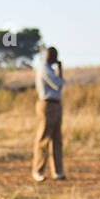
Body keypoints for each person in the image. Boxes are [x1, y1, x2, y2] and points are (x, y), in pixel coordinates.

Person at [32, 46, 65, 182]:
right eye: (53, 55)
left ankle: (57, 171)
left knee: (57, 139)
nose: (55, 58)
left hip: (56, 104)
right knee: (44, 138)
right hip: (47, 104)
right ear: (47, 56)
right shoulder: (44, 69)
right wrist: (60, 69)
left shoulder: (50, 69)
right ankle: (38, 171)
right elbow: (58, 84)